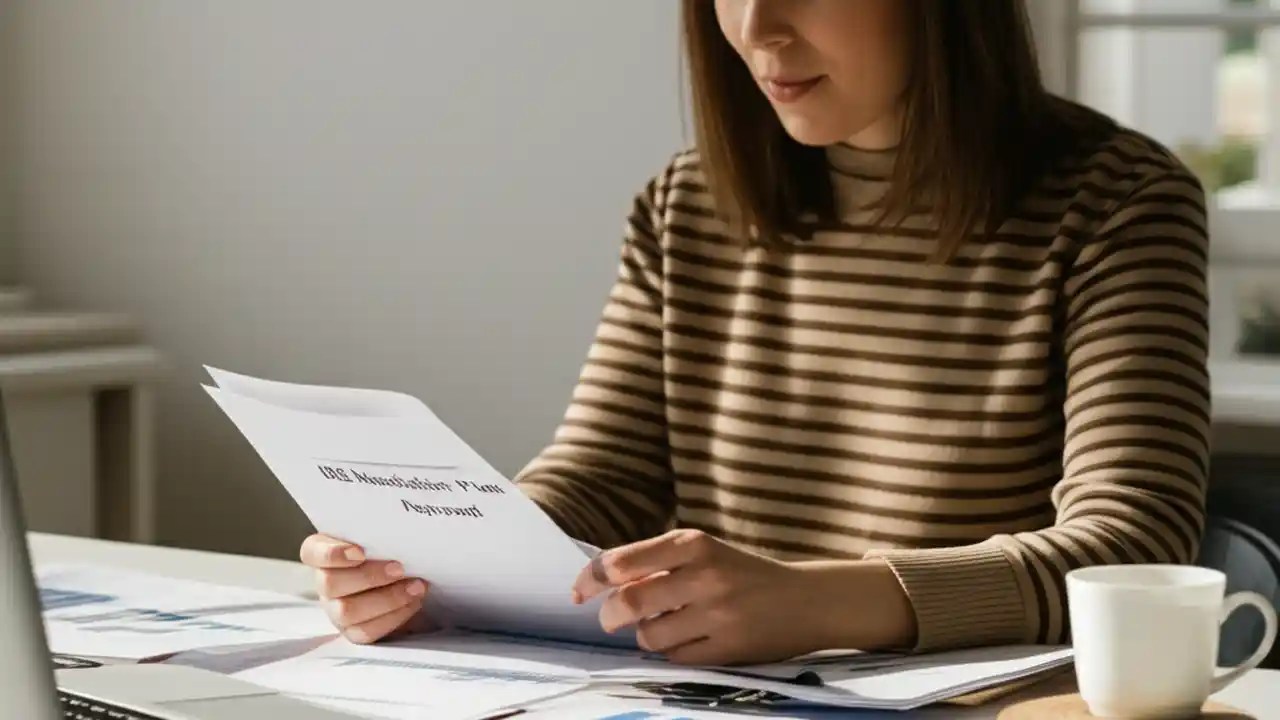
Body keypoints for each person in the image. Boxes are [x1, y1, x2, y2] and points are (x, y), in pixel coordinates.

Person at [300, 0, 1210, 666]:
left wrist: (823, 603)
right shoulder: (685, 202)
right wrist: (444, 570)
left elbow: (1133, 547)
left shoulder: (1119, 203)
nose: (756, 28)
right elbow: (605, 475)